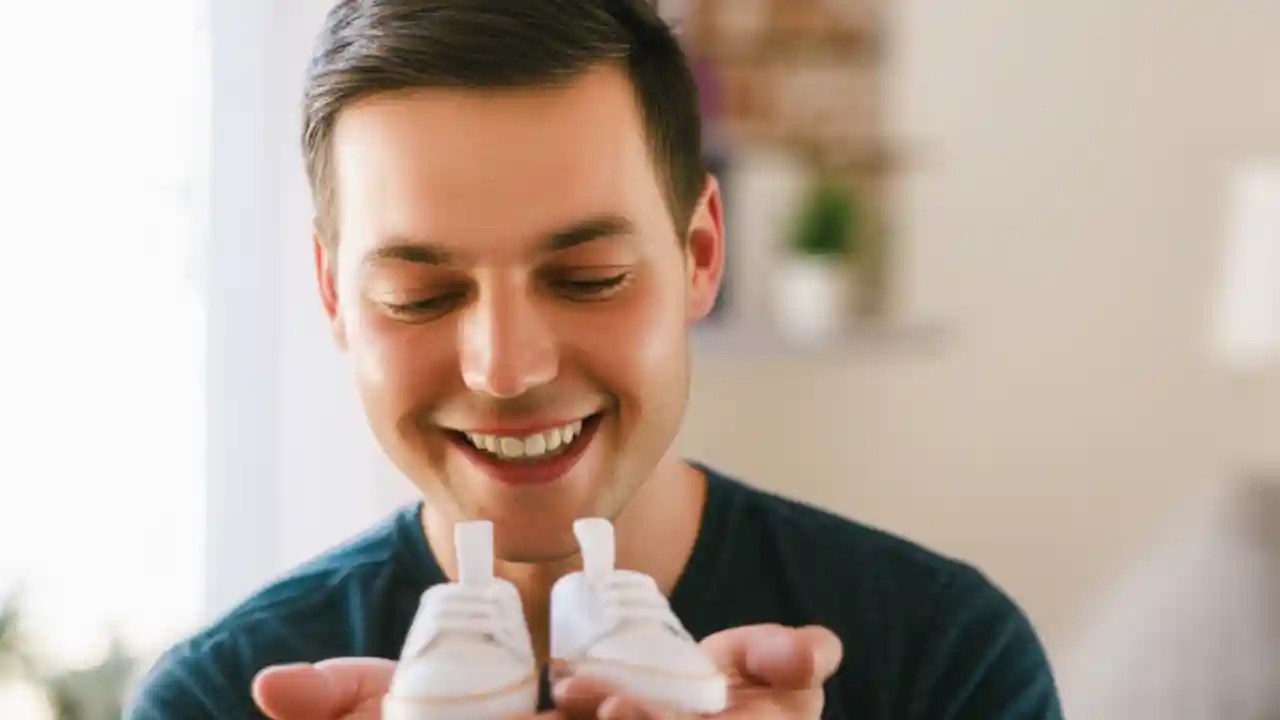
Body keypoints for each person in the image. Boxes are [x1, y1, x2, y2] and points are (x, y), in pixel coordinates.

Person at [127, 1, 1062, 718]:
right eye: (422, 296)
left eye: (588, 278)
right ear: (335, 297)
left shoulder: (944, 659)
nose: (505, 369)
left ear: (700, 255)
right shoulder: (215, 701)